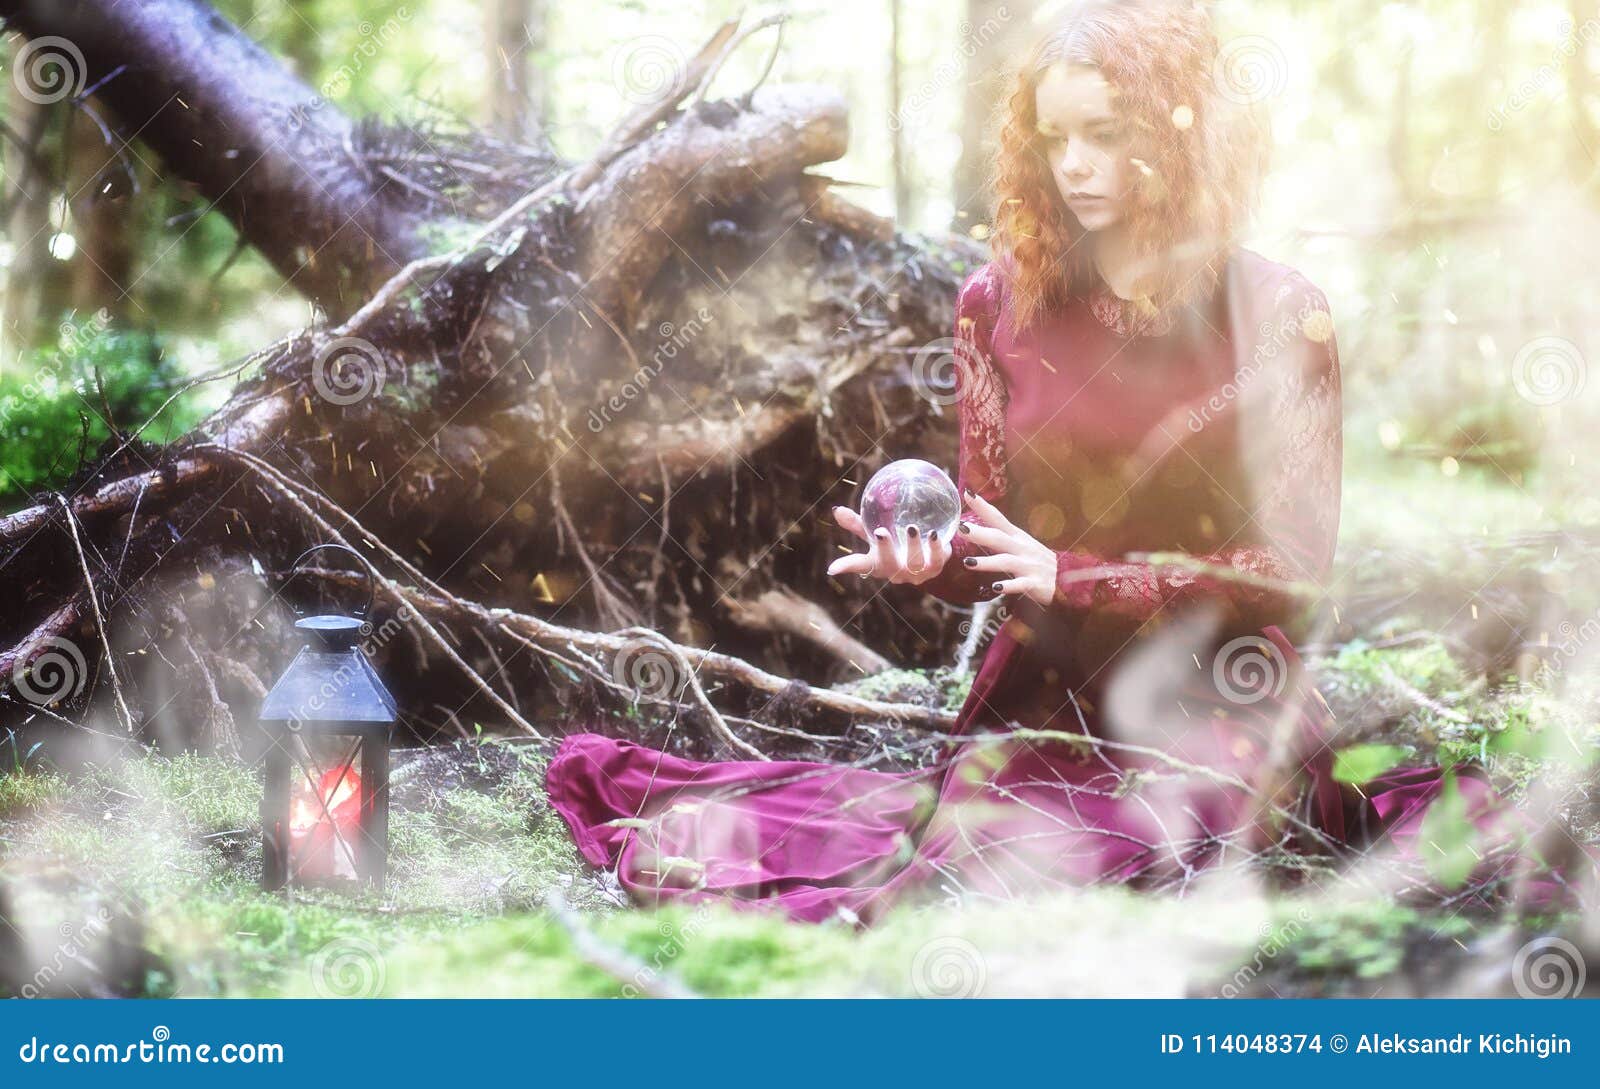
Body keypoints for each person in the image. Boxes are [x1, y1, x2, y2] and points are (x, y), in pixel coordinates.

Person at [547, 0, 1590, 924]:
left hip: (1221, 696)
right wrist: (936, 563)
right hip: (1043, 695)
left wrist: (1081, 579)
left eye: (1108, 134)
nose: (1075, 165)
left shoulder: (1282, 313)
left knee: (1171, 848)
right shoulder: (995, 305)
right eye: (1055, 138)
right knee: (990, 857)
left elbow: (1293, 572)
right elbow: (998, 535)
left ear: (1184, 132)